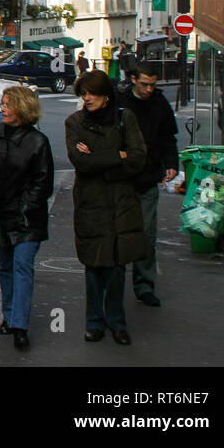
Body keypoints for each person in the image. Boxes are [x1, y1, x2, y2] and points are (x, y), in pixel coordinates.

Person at [65, 71, 147, 345]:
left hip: (121, 202)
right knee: (94, 266)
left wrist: (101, 160)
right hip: (91, 204)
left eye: (91, 93)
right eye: (83, 94)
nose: (86, 98)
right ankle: (94, 323)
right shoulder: (75, 122)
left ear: (106, 95)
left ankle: (117, 322)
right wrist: (117, 156)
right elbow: (82, 163)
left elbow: (137, 159)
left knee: (117, 266)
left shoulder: (125, 119)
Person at [0, 86, 54, 350]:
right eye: (2, 103)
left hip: (26, 218)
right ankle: (9, 315)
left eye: (8, 104)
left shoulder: (37, 142)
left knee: (22, 267)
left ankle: (19, 325)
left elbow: (42, 184)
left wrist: (23, 210)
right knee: (6, 268)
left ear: (22, 108)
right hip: (1, 214)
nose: (2, 108)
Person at [115, 62, 179, 307]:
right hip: (121, 178)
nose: (149, 89)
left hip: (147, 176)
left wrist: (171, 164)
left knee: (146, 235)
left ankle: (144, 285)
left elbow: (167, 138)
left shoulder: (159, 103)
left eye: (153, 84)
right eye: (145, 84)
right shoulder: (120, 101)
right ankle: (116, 283)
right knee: (119, 234)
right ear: (133, 80)